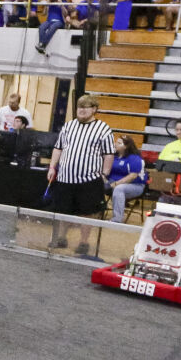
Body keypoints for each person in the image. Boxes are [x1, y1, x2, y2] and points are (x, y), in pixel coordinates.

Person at [46, 96, 116, 254]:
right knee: (63, 210)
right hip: (65, 178)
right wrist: (52, 167)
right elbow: (58, 148)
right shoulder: (68, 126)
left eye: (86, 107)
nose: (82, 110)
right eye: (79, 107)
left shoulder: (103, 128)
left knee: (87, 211)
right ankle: (61, 238)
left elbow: (109, 154)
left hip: (89, 179)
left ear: (94, 109)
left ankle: (84, 242)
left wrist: (104, 174)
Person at [107, 136, 147, 223]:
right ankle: (93, 212)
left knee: (119, 189)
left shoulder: (134, 158)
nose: (115, 144)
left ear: (126, 146)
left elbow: (132, 176)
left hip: (135, 186)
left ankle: (117, 219)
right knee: (94, 183)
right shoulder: (114, 156)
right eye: (116, 142)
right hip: (113, 182)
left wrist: (116, 184)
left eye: (119, 143)